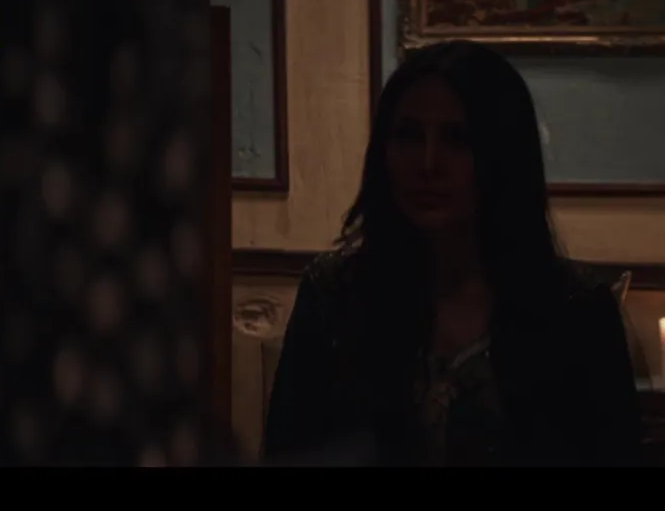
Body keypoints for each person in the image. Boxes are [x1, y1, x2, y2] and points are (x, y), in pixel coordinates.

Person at [262, 40, 643, 467]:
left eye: (457, 140)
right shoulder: (335, 296)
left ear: (503, 155)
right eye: (408, 136)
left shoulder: (576, 310)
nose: (427, 164)